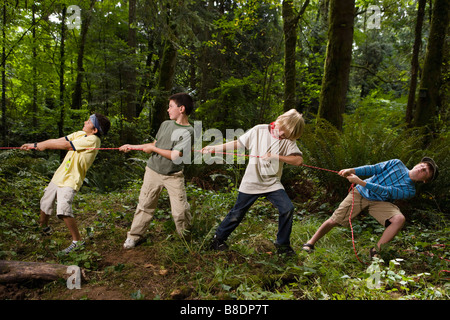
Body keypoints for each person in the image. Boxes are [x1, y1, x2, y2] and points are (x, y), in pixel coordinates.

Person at [202, 109, 305, 256]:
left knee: (287, 208)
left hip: (272, 183)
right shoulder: (259, 130)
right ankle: (217, 240)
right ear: (279, 121)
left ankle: (282, 245)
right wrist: (215, 148)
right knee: (237, 213)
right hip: (251, 181)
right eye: (282, 132)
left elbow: (298, 160)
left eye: (286, 136)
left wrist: (275, 156)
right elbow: (239, 143)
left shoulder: (288, 140)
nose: (283, 136)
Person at [302, 157, 439, 258]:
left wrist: (360, 182)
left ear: (425, 180)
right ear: (416, 164)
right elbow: (374, 168)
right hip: (360, 192)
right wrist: (352, 170)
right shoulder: (396, 163)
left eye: (426, 171)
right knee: (334, 220)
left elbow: (386, 192)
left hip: (379, 201)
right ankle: (310, 243)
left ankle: (376, 252)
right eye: (422, 165)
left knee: (399, 219)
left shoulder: (410, 191)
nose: (422, 168)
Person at [21, 113, 111, 254]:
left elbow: (66, 145)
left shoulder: (93, 140)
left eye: (88, 122)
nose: (84, 122)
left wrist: (43, 145)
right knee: (45, 202)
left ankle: (77, 241)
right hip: (60, 175)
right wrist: (35, 145)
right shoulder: (80, 134)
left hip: (71, 179)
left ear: (95, 130)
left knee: (63, 209)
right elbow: (59, 140)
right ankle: (43, 228)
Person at [120, 93, 194, 249]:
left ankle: (187, 240)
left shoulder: (189, 131)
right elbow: (154, 144)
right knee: (145, 205)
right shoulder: (166, 124)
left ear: (181, 109)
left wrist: (153, 148)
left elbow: (175, 155)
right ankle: (134, 236)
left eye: (171, 106)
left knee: (180, 211)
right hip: (153, 171)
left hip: (173, 176)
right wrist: (132, 146)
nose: (168, 110)